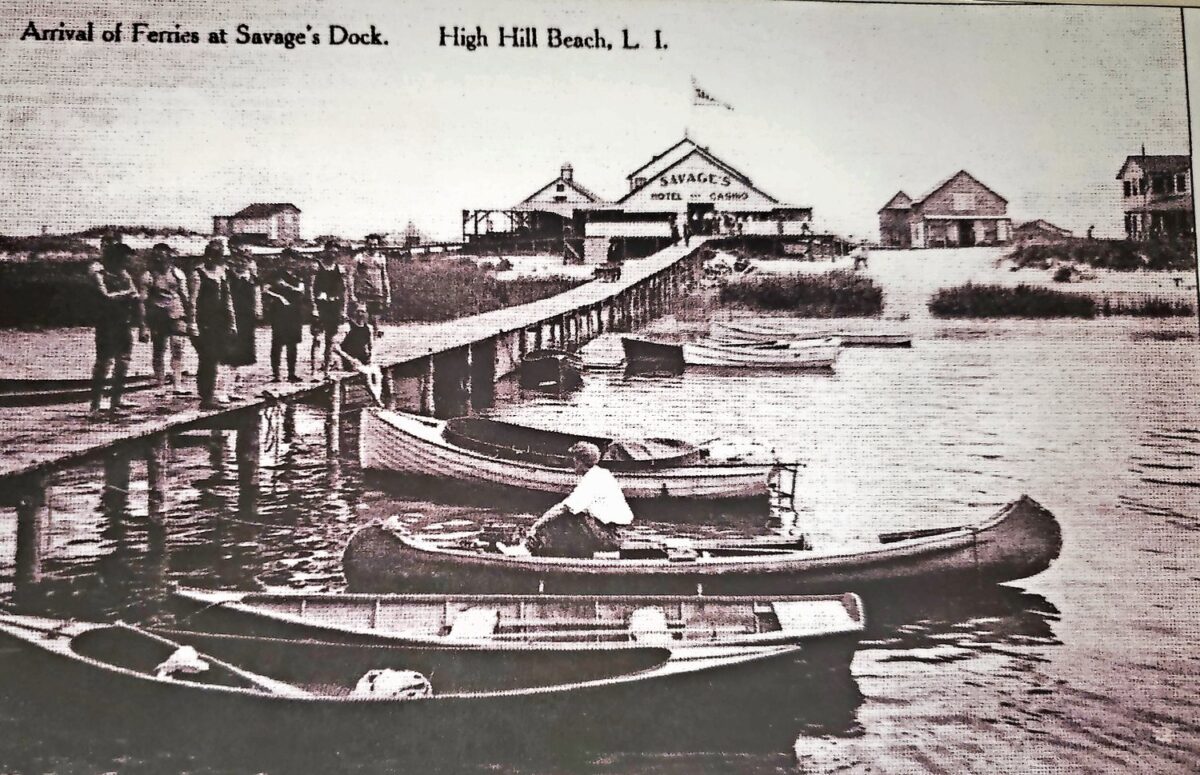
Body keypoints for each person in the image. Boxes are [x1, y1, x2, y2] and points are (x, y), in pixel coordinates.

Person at [502, 442, 634, 558]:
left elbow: (564, 507)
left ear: (580, 461)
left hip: (610, 536)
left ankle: (527, 548)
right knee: (577, 519)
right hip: (615, 533)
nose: (572, 464)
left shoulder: (591, 480)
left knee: (566, 517)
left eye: (574, 461)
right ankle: (562, 552)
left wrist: (537, 525)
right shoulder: (603, 473)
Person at [88, 240, 143, 417]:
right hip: (106, 323)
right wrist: (127, 294)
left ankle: (116, 402)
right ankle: (95, 406)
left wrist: (142, 324)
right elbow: (106, 296)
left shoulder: (124, 274)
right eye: (125, 260)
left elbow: (137, 297)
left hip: (123, 322)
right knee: (103, 363)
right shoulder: (98, 271)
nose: (128, 264)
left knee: (124, 362)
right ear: (117, 258)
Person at [189, 239, 236, 409]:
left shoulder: (222, 273)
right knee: (207, 357)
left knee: (216, 356)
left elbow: (228, 298)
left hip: (220, 320)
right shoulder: (198, 274)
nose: (212, 260)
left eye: (216, 257)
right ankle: (206, 396)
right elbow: (192, 301)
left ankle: (212, 393)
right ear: (206, 256)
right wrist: (192, 323)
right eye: (210, 256)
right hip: (204, 321)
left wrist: (232, 322)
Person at [139, 243, 191, 393]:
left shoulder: (177, 273)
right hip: (157, 315)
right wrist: (144, 325)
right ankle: (160, 384)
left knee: (178, 348)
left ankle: (177, 384)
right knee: (159, 350)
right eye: (157, 257)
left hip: (176, 313)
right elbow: (142, 300)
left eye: (163, 256)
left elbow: (185, 296)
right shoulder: (148, 275)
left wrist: (192, 318)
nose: (160, 259)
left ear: (169, 257)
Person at [223, 245, 260, 400]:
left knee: (242, 353)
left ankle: (233, 388)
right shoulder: (229, 277)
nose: (241, 263)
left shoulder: (252, 278)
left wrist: (258, 309)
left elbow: (257, 294)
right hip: (231, 316)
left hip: (246, 317)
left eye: (245, 260)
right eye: (239, 260)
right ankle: (224, 390)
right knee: (229, 352)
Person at [263, 252, 306, 382]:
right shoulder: (276, 273)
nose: (291, 262)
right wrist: (279, 297)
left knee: (292, 343)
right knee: (277, 342)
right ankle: (276, 374)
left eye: (293, 259)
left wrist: (286, 286)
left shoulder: (299, 274)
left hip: (294, 311)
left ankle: (291, 373)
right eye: (288, 258)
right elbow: (265, 289)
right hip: (279, 312)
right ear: (283, 259)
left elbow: (301, 290)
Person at [310, 241, 347, 378]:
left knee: (330, 340)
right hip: (321, 305)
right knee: (317, 338)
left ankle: (326, 371)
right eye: (330, 251)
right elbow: (311, 288)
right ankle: (314, 371)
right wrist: (314, 307)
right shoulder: (317, 266)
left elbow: (345, 290)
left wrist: (344, 309)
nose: (332, 254)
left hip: (334, 305)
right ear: (325, 251)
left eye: (335, 252)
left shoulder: (340, 268)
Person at [351, 234, 391, 338]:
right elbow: (351, 275)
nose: (372, 247)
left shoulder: (381, 258)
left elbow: (385, 277)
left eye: (375, 245)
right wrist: (351, 293)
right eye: (370, 244)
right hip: (363, 294)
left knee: (375, 322)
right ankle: (360, 347)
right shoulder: (359, 257)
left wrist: (388, 295)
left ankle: (373, 347)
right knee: (361, 320)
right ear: (366, 244)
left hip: (377, 293)